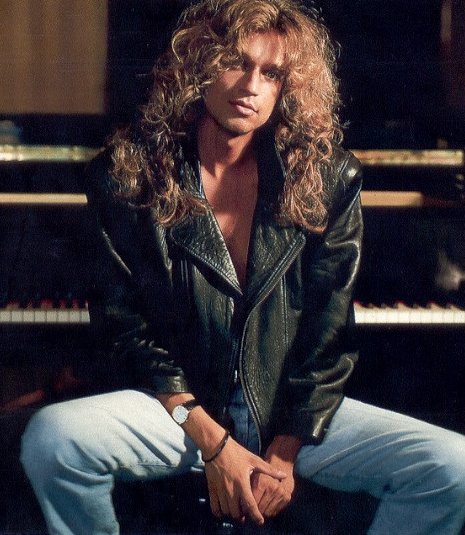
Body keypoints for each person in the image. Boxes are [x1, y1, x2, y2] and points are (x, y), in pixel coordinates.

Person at [20, 0, 465, 533]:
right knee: (53, 440)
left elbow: (327, 337)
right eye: (236, 62)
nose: (251, 85)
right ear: (200, 66)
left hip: (289, 416)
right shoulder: (129, 175)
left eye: (271, 72)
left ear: (286, 86)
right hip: (180, 413)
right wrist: (214, 444)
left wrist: (284, 451)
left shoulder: (328, 178)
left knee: (453, 468)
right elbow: (127, 330)